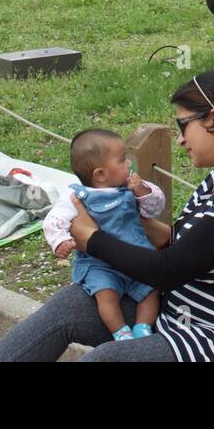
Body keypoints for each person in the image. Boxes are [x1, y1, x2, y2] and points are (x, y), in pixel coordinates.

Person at [0, 70, 214, 362]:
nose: (179, 140)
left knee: (107, 360)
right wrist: (123, 218)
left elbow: (168, 269)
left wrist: (93, 238)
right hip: (186, 316)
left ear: (212, 118)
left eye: (182, 125)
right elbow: (186, 245)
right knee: (70, 306)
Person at [42, 129, 166, 340]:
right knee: (106, 295)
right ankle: (120, 331)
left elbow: (155, 208)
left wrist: (144, 191)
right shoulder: (76, 196)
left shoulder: (130, 188)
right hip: (99, 264)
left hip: (136, 255)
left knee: (152, 290)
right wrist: (60, 240)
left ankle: (142, 327)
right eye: (122, 160)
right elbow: (53, 221)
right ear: (100, 174)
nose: (129, 164)